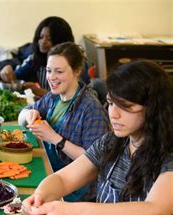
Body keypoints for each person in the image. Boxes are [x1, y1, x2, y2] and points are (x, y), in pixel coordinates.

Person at [21, 60, 173, 215]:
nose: (113, 114)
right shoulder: (112, 142)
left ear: (153, 108)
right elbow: (64, 178)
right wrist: (40, 196)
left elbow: (152, 212)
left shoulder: (168, 156)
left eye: (126, 107)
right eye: (112, 103)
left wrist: (75, 210)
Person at [18, 42, 109, 201]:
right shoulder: (53, 97)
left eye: (59, 71)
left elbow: (95, 161)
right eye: (48, 71)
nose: (51, 77)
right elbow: (21, 116)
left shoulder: (91, 110)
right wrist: (29, 114)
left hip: (76, 192)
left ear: (77, 71)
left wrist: (55, 138)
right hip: (50, 173)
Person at [0, 16, 90, 97]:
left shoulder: (77, 63)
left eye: (49, 38)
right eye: (41, 37)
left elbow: (77, 98)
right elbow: (15, 76)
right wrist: (7, 68)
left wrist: (41, 92)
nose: (43, 41)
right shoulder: (36, 59)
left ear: (61, 41)